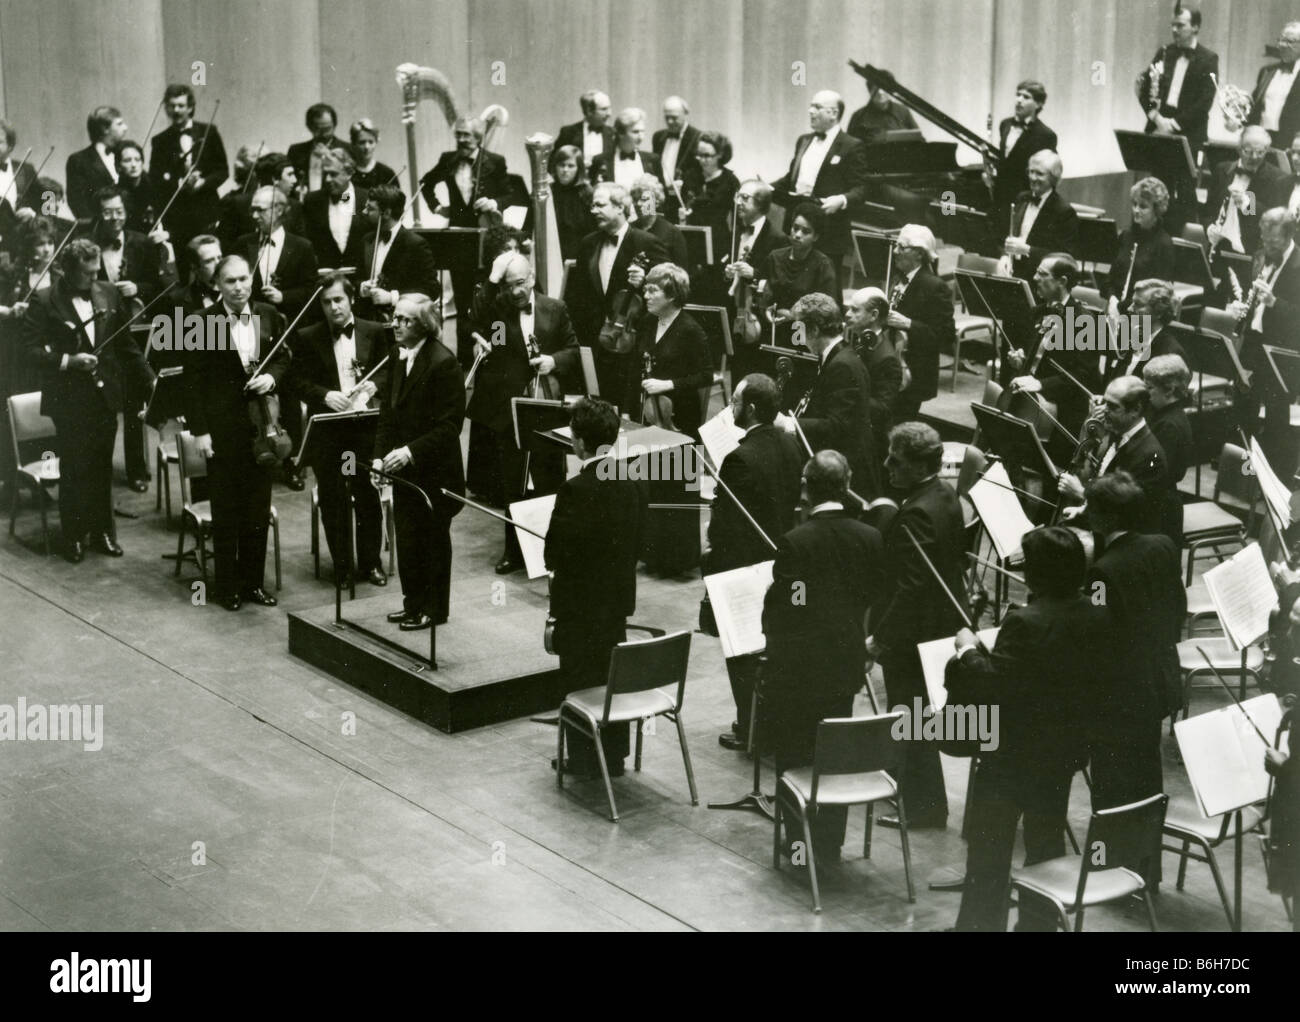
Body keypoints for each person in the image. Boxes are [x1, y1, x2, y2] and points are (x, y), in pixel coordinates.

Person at [948, 527, 1110, 931]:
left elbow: (992, 684)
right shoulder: (1095, 613)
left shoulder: (1024, 622)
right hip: (1060, 754)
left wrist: (967, 648)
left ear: (1037, 574)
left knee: (989, 851)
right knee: (1045, 844)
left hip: (1009, 756)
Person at [763, 450, 883, 862]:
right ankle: (829, 843)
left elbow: (792, 602)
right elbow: (869, 595)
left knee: (795, 752)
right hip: (844, 660)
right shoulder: (869, 537)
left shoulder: (797, 542)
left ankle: (797, 845)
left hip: (797, 667)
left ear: (805, 487)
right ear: (847, 483)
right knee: (832, 753)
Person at [866, 422, 969, 830]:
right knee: (918, 715)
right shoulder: (944, 495)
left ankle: (923, 807)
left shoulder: (917, 514)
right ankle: (921, 799)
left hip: (915, 633)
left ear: (917, 464)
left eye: (896, 459)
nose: (887, 464)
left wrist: (879, 639)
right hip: (940, 622)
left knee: (910, 714)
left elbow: (909, 588)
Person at [22, 239, 151, 563]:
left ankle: (103, 532)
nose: (94, 279)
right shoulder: (45, 299)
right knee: (76, 467)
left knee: (101, 466)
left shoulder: (107, 292)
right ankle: (74, 536)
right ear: (67, 270)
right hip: (69, 397)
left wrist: (150, 377)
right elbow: (29, 351)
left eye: (96, 272)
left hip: (104, 394)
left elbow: (125, 344)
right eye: (87, 274)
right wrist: (68, 360)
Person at [545, 397, 646, 778]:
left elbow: (554, 552)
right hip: (616, 603)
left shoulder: (576, 489)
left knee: (578, 679)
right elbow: (639, 543)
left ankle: (585, 760)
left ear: (581, 443)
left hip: (578, 608)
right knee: (609, 677)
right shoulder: (633, 482)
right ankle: (614, 755)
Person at [182, 255, 287, 610]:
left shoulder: (268, 314)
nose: (239, 287)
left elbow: (284, 356)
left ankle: (253, 583)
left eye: (244, 279)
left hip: (261, 429)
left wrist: (271, 377)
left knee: (258, 510)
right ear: (217, 286)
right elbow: (192, 384)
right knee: (226, 513)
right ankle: (227, 587)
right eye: (230, 281)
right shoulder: (201, 322)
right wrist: (201, 432)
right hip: (222, 430)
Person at [706, 373, 803, 750]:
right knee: (769, 646)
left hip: (742, 565)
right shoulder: (790, 444)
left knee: (741, 651)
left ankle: (749, 726)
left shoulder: (738, 458)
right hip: (779, 556)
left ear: (752, 408)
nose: (729, 407)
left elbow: (725, 524)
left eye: (735, 402)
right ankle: (766, 721)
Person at [467, 251, 578, 573]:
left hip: (545, 403)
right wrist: (493, 276)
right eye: (508, 285)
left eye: (520, 283)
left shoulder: (555, 309)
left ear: (531, 278)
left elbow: (572, 349)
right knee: (512, 482)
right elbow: (477, 320)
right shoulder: (499, 309)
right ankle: (512, 552)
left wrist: (553, 361)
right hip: (510, 408)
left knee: (550, 478)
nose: (515, 291)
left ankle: (552, 552)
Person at [1084, 472, 1184, 815]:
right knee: (1146, 773)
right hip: (1157, 681)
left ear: (1105, 517)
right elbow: (1178, 608)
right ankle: (1146, 862)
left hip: (1118, 693)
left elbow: (1096, 630)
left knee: (1114, 785)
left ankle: (1115, 858)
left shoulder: (1101, 573)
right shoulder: (1163, 546)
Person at [287, 272, 389, 587]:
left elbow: (390, 370)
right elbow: (295, 381)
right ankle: (343, 568)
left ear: (351, 300)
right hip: (329, 433)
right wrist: (324, 395)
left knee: (368, 496)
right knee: (334, 501)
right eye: (327, 302)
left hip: (364, 430)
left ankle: (371, 564)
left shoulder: (375, 331)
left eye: (339, 300)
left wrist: (374, 384)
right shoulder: (306, 337)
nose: (334, 308)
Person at [372, 293, 465, 630]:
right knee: (409, 540)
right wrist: (379, 457)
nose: (396, 324)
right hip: (403, 470)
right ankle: (412, 603)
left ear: (424, 325)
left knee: (433, 542)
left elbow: (450, 426)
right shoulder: (398, 355)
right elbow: (387, 412)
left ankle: (434, 609)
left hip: (435, 471)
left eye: (405, 320)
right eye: (395, 317)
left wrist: (409, 451)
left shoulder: (443, 363)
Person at [91, 185, 174, 492]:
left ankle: (137, 470)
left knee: (134, 400)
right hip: (101, 332)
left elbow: (163, 286)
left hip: (135, 329)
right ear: (99, 213)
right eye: (108, 212)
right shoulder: (88, 244)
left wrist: (137, 288)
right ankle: (98, 470)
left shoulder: (141, 242)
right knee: (103, 403)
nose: (114, 218)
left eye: (119, 212)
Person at [419, 116, 511, 366]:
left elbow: (510, 194)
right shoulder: (448, 159)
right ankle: (463, 361)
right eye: (458, 134)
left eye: (466, 135)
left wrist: (494, 203)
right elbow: (425, 183)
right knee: (462, 304)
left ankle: (496, 355)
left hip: (486, 240)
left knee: (491, 301)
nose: (461, 139)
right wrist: (437, 207)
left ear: (478, 137)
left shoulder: (495, 161)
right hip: (459, 241)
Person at [566, 181, 667, 399]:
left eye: (600, 205)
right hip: (595, 339)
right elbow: (576, 294)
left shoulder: (647, 242)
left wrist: (645, 282)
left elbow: (670, 291)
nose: (594, 211)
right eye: (593, 206)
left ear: (620, 207)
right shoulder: (588, 243)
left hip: (632, 342)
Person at [784, 291, 879, 500]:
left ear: (815, 330)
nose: (798, 336)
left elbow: (838, 425)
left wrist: (790, 425)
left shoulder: (842, 365)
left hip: (848, 474)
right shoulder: (838, 355)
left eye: (800, 329)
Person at [1227, 208, 1300, 475]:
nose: (1268, 246)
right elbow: (1250, 292)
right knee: (1243, 405)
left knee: (1276, 415)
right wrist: (1238, 307)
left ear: (1290, 235)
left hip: (1281, 350)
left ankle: (1277, 479)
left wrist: (1274, 303)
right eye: (1265, 240)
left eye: (1274, 243)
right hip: (1253, 343)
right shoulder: (1260, 255)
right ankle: (1242, 472)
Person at [771, 90, 867, 291]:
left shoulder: (852, 145)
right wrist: (767, 188)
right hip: (797, 225)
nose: (810, 111)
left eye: (816, 107)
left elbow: (862, 188)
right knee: (792, 285)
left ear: (833, 113)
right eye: (811, 106)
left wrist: (841, 199)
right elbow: (791, 180)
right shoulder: (804, 140)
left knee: (826, 290)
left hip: (828, 229)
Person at [1006, 254, 1102, 440]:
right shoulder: (1037, 312)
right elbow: (1039, 360)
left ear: (1062, 281)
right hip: (1031, 400)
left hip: (1061, 410)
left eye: (1042, 274)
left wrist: (1040, 384)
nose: (1035, 278)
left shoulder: (1084, 322)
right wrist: (1021, 362)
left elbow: (1082, 375)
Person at [1058, 375, 1169, 534]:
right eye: (1104, 403)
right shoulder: (1117, 432)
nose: (1103, 411)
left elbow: (1128, 513)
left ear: (1136, 410)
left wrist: (1081, 494)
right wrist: (1082, 510)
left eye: (1112, 406)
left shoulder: (1150, 456)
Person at [632, 262, 712, 441]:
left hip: (680, 417)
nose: (645, 296)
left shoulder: (691, 330)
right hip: (648, 411)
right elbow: (634, 366)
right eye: (646, 290)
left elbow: (706, 376)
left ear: (672, 295)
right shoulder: (648, 321)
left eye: (652, 291)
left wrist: (669, 384)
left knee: (673, 468)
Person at [148, 85, 229, 251]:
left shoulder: (209, 132)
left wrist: (203, 183)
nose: (176, 110)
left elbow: (222, 171)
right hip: (178, 218)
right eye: (172, 106)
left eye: (181, 106)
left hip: (207, 212)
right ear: (166, 108)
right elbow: (155, 180)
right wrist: (178, 184)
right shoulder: (160, 141)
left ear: (190, 107)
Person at [1135, 3, 1219, 158]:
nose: (1174, 30)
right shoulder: (1165, 52)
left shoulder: (1208, 59)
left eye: (1180, 25)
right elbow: (1144, 90)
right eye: (1173, 25)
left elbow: (1204, 103)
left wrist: (1172, 125)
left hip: (1189, 135)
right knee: (1156, 181)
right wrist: (1156, 118)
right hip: (1158, 130)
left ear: (1195, 27)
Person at [722, 179, 787, 381]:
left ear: (760, 204)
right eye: (738, 196)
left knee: (754, 372)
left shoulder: (777, 238)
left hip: (758, 317)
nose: (738, 202)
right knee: (735, 369)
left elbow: (779, 281)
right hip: (736, 311)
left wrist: (754, 273)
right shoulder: (735, 231)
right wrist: (727, 273)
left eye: (745, 198)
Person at [888, 224, 954, 421]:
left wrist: (909, 324)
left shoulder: (934, 286)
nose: (895, 251)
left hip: (913, 371)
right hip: (891, 364)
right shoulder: (898, 277)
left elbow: (946, 335)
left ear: (919, 254)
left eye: (901, 247)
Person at [757, 202, 838, 349]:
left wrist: (792, 316)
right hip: (772, 328)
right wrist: (766, 308)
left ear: (816, 237)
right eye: (795, 228)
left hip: (803, 334)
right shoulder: (775, 257)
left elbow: (829, 309)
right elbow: (761, 290)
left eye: (806, 231)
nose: (797, 234)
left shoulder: (823, 265)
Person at [357, 184, 440, 323]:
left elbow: (431, 289)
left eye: (370, 208)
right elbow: (358, 276)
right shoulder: (367, 240)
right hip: (369, 322)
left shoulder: (415, 244)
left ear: (387, 213)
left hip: (402, 322)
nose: (364, 212)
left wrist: (392, 297)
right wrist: (362, 287)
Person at [1204, 126, 1290, 256]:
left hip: (1250, 253)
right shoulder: (1222, 169)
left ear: (1266, 151)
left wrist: (1250, 203)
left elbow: (1275, 220)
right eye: (1248, 151)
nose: (1254, 157)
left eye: (1260, 152)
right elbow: (1208, 209)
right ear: (1239, 149)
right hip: (1217, 247)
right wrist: (1209, 228)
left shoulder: (1277, 178)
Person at [987, 80, 1057, 227]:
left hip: (1023, 201)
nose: (1019, 100)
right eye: (1018, 95)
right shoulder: (1005, 125)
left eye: (1026, 97)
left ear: (1038, 104)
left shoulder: (1045, 135)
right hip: (1000, 197)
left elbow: (1048, 173)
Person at [843, 287, 903, 457]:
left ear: (874, 315)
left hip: (869, 444)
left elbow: (882, 408)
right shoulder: (859, 340)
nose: (847, 314)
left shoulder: (887, 359)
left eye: (855, 310)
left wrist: (845, 395)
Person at [1102, 177, 1176, 313]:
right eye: (1134, 204)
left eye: (1143, 206)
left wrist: (1122, 308)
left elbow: (1158, 297)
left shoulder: (1164, 244)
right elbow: (1109, 280)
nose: (1136, 210)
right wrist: (1113, 300)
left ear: (1157, 210)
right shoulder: (1126, 236)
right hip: (1114, 309)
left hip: (1141, 316)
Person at [1002, 150, 1079, 280]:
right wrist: (1004, 256)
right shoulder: (1022, 198)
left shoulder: (1064, 212)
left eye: (1039, 174)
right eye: (1031, 171)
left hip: (1040, 281)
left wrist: (1027, 250)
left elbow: (1064, 259)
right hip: (1013, 272)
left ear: (1053, 178)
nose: (1033, 177)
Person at [1143, 353, 1193, 547]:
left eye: (1149, 388)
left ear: (1169, 390)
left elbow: (1152, 470)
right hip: (1159, 502)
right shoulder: (1162, 415)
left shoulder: (1169, 426)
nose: (1146, 394)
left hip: (1159, 511)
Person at [302, 149, 367, 271]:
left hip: (361, 277)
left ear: (349, 173)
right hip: (325, 278)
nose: (327, 179)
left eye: (333, 174)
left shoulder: (367, 199)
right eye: (325, 174)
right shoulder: (312, 201)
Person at [1241, 21, 1300, 147]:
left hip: (1291, 143)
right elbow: (1255, 106)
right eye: (1281, 40)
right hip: (1261, 140)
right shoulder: (1267, 71)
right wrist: (1240, 107)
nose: (1282, 45)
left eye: (1289, 41)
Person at [66, 106, 128, 221]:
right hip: (97, 230)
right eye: (119, 124)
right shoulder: (78, 160)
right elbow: (76, 201)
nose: (125, 128)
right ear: (105, 129)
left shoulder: (127, 155)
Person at [651, 96, 701, 220]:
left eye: (674, 117)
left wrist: (684, 183)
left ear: (686, 113)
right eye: (667, 118)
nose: (670, 122)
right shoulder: (658, 137)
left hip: (684, 200)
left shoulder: (698, 137)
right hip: (662, 199)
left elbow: (699, 171)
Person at [589, 108, 662, 191]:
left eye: (642, 131)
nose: (641, 137)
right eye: (635, 132)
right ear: (621, 133)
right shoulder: (600, 160)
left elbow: (662, 196)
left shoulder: (653, 160)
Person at [287, 103, 351, 196]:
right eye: (318, 129)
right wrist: (297, 189)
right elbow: (290, 180)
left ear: (335, 125)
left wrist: (329, 156)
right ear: (309, 127)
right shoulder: (296, 151)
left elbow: (352, 187)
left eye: (327, 129)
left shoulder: (348, 149)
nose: (323, 134)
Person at [548, 145, 596, 261]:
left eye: (571, 166)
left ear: (579, 169)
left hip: (580, 255)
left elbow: (593, 231)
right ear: (555, 167)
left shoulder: (587, 193)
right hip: (553, 252)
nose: (565, 170)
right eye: (561, 165)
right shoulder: (549, 191)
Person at [629, 175, 687, 267]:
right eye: (635, 200)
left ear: (656, 202)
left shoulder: (672, 233)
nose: (638, 204)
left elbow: (681, 273)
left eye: (644, 199)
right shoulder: (629, 229)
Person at [0, 117, 39, 252]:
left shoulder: (26, 169)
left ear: (10, 145)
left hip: (24, 244)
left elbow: (48, 195)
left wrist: (36, 215)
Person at [555, 90, 615, 172]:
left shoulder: (613, 133)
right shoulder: (568, 133)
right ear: (589, 111)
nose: (609, 114)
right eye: (604, 109)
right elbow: (554, 163)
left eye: (609, 108)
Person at [113, 139, 160, 236]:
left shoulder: (157, 188)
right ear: (118, 166)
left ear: (142, 163)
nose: (133, 165)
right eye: (127, 161)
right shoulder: (115, 194)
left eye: (137, 160)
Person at [847, 81, 918, 144]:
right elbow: (849, 147)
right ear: (870, 91)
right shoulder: (859, 116)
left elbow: (918, 139)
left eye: (884, 87)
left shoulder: (903, 111)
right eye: (876, 88)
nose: (880, 92)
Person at [348, 118, 397, 192]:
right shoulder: (347, 173)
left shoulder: (387, 174)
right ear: (353, 144)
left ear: (376, 143)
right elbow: (343, 199)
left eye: (371, 142)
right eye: (362, 142)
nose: (367, 147)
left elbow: (398, 202)